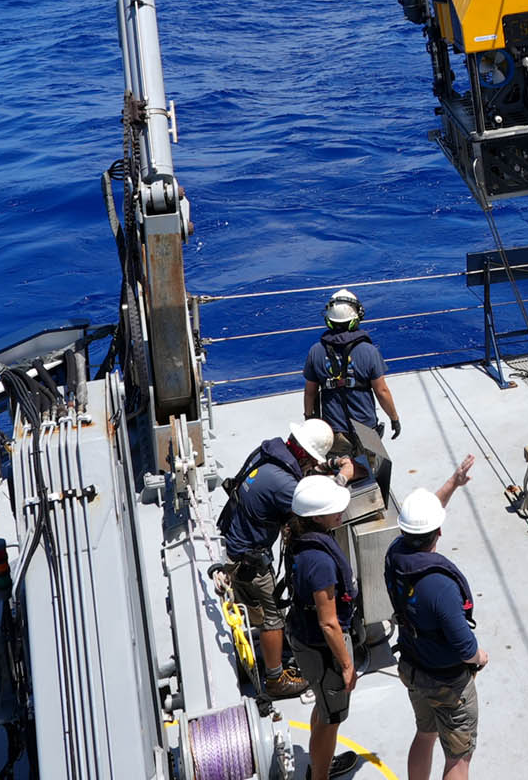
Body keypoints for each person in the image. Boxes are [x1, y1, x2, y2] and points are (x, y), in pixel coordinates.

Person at [217, 418, 356, 698]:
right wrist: (341, 479)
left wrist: (327, 466)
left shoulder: (269, 453)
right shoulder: (285, 485)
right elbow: (314, 507)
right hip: (249, 559)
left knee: (265, 612)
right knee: (272, 618)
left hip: (234, 536)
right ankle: (275, 679)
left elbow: (301, 475)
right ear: (304, 453)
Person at [384, 457, 482, 780]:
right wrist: (480, 657)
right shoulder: (440, 587)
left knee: (425, 734)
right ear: (438, 532)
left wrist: (452, 483)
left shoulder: (395, 556)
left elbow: (420, 523)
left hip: (414, 671)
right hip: (447, 683)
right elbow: (464, 645)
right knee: (458, 758)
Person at [286, 474, 363, 780]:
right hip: (323, 650)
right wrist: (346, 665)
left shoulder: (303, 539)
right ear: (316, 517)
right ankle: (319, 775)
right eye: (334, 509)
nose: (340, 512)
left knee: (324, 706)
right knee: (331, 718)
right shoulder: (319, 561)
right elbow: (329, 622)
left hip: (308, 642)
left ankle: (319, 765)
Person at [304, 289, 401, 490]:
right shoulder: (368, 351)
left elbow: (310, 392)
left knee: (337, 473)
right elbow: (382, 391)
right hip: (365, 428)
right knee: (368, 474)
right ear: (355, 319)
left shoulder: (315, 351)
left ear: (329, 321)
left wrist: (309, 420)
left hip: (333, 430)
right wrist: (394, 418)